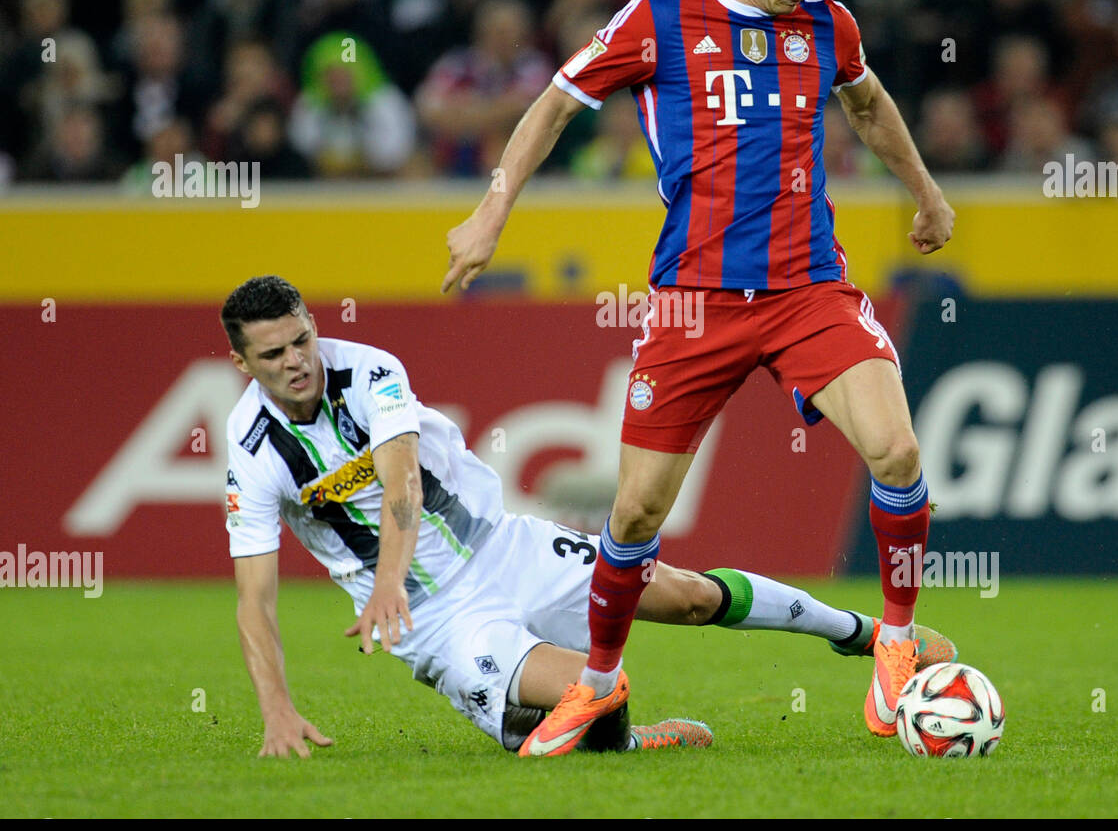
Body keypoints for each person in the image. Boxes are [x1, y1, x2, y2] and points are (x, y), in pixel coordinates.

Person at [442, 0, 956, 756]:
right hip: (693, 302)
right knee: (636, 514)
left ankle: (898, 644)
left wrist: (926, 191)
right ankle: (596, 687)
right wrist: (493, 208)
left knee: (898, 449)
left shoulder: (827, 24)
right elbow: (556, 104)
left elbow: (866, 103)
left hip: (807, 288)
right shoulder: (658, 17)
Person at [222, 276, 956, 758]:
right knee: (596, 693)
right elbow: (254, 597)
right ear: (241, 363)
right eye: (274, 353)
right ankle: (630, 742)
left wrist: (383, 577)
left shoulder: (369, 369)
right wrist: (276, 710)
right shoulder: (252, 450)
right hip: (438, 621)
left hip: (507, 547)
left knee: (692, 595)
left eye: (302, 340)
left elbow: (403, 481)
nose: (296, 361)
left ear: (314, 327)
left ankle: (862, 635)